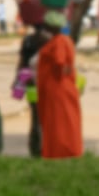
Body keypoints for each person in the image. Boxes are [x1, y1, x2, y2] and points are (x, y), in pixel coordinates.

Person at [35, 11, 83, 158]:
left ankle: (60, 152)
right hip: (59, 88)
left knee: (59, 124)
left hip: (57, 89)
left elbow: (59, 62)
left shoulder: (59, 42)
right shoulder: (64, 40)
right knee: (64, 122)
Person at [14, 24, 48, 158]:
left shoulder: (28, 40)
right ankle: (40, 148)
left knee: (35, 115)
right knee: (40, 116)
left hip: (29, 82)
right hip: (39, 84)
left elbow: (22, 63)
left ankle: (35, 148)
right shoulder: (47, 41)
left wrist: (18, 83)